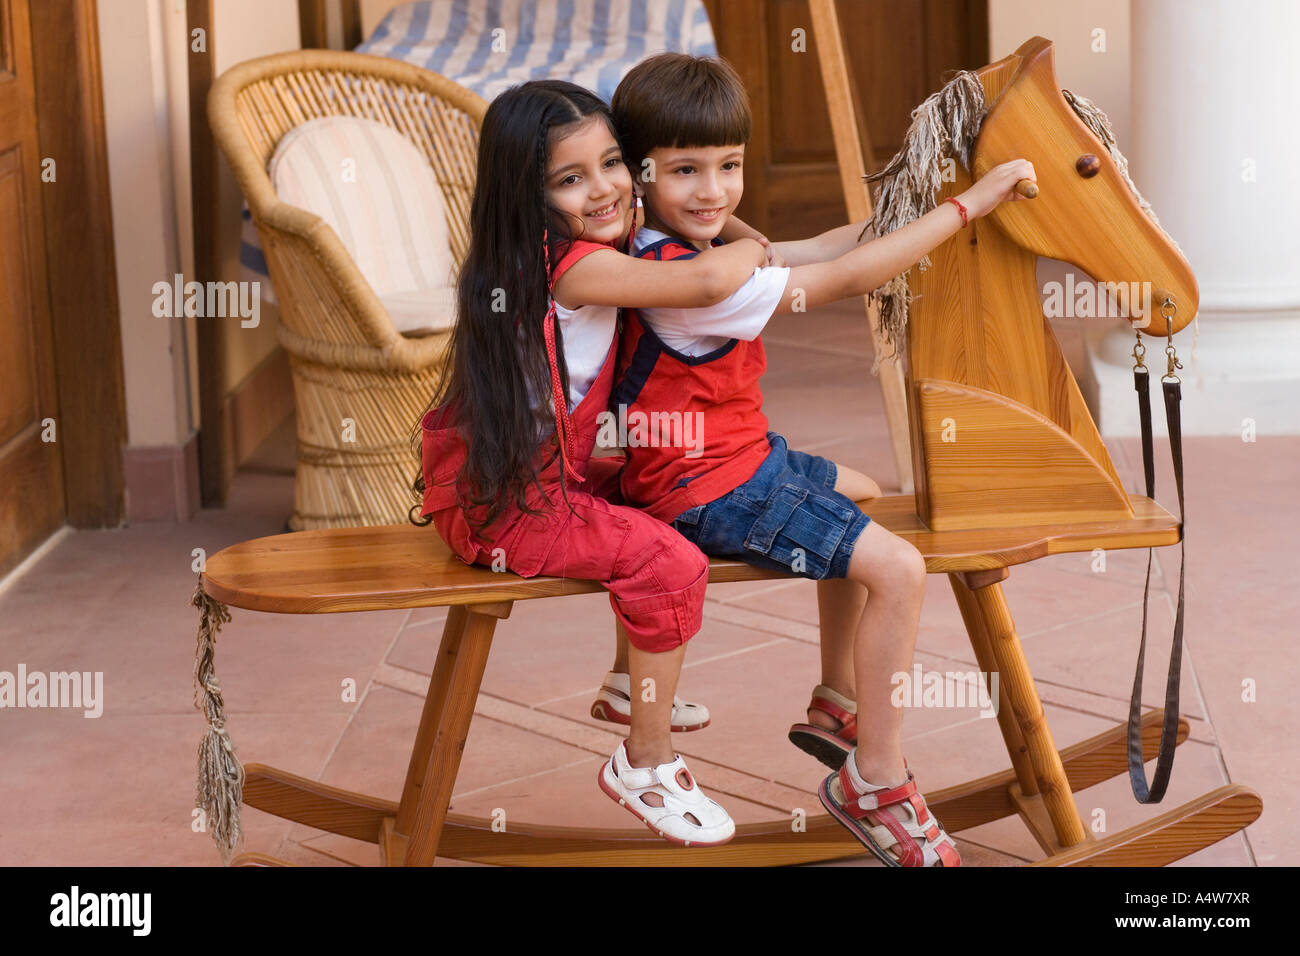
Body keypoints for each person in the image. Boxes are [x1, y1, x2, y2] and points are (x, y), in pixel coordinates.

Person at [607, 52, 1037, 866]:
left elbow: (827, 243)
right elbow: (837, 278)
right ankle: (875, 779)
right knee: (901, 571)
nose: (712, 191)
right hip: (707, 488)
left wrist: (926, 187)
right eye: (685, 170)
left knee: (864, 493)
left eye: (728, 167)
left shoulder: (679, 253)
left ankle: (839, 700)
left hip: (734, 460)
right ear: (641, 175)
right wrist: (967, 208)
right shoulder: (696, 279)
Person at [409, 79, 770, 846]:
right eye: (571, 179)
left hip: (553, 473)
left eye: (613, 163)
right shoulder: (567, 263)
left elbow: (682, 235)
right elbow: (708, 278)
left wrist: (705, 213)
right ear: (529, 196)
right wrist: (749, 240)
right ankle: (644, 763)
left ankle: (625, 687)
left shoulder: (595, 234)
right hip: (505, 504)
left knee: (655, 495)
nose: (605, 188)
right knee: (670, 563)